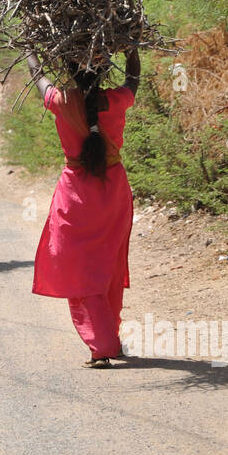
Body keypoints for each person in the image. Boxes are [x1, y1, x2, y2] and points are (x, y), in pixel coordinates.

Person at [27, 48, 141, 368]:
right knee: (110, 265)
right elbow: (134, 79)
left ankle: (102, 343)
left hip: (76, 194)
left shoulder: (61, 101)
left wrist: (30, 52)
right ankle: (110, 338)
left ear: (69, 69)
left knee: (80, 267)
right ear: (103, 73)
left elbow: (39, 78)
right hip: (114, 191)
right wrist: (132, 49)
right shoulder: (117, 100)